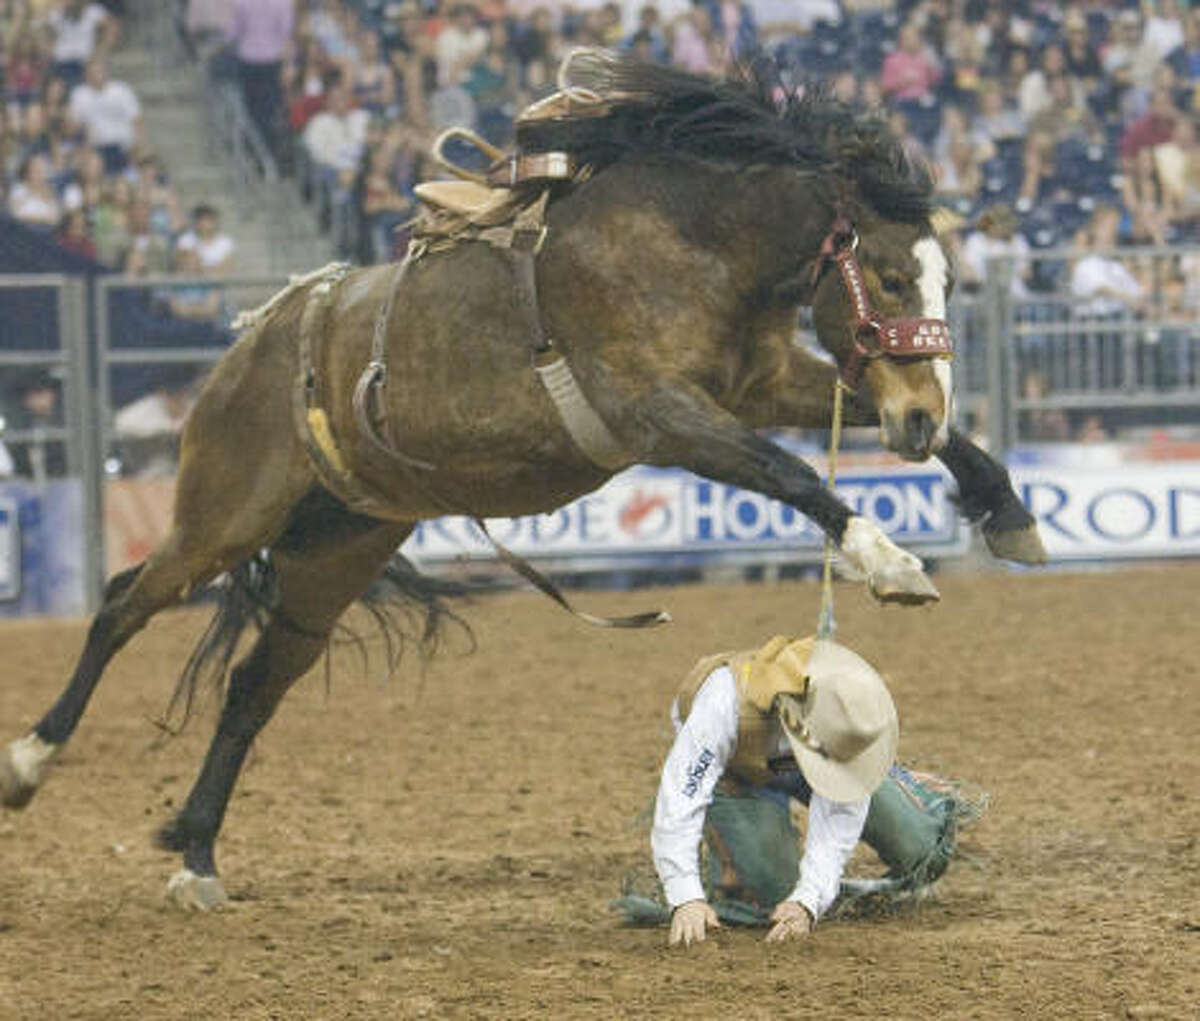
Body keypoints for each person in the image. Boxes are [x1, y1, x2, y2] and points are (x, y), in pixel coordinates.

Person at [650, 635, 949, 947]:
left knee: (923, 849)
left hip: (822, 759)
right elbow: (682, 795)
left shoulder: (850, 711)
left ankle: (827, 880)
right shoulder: (722, 702)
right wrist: (685, 897)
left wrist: (807, 900)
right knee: (771, 893)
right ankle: (732, 863)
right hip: (738, 774)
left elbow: (840, 817)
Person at [66, 56, 140, 173]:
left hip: (123, 147)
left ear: (106, 71)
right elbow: (72, 126)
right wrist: (84, 130)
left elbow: (136, 121)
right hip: (95, 149)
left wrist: (137, 146)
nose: (96, 75)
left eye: (99, 71)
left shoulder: (121, 90)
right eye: (92, 72)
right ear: (86, 75)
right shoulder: (79, 94)